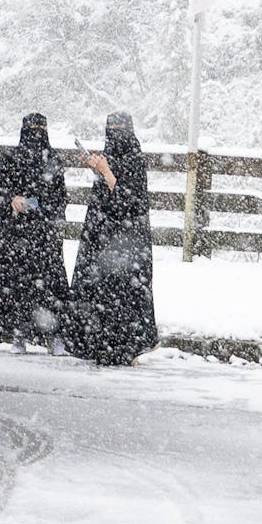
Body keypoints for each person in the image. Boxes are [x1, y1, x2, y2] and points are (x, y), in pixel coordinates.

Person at [67, 112, 158, 365]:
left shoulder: (134, 159)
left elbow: (127, 201)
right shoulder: (112, 155)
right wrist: (96, 167)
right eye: (110, 129)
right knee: (103, 291)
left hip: (127, 241)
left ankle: (126, 346)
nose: (113, 135)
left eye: (118, 129)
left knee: (124, 292)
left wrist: (106, 171)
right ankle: (101, 343)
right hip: (104, 238)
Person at [0, 112, 71, 353]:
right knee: (16, 285)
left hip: (42, 236)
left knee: (47, 286)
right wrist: (10, 198)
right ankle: (17, 334)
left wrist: (36, 205)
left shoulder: (52, 162)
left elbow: (59, 199)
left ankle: (52, 336)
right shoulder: (10, 159)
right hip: (13, 234)